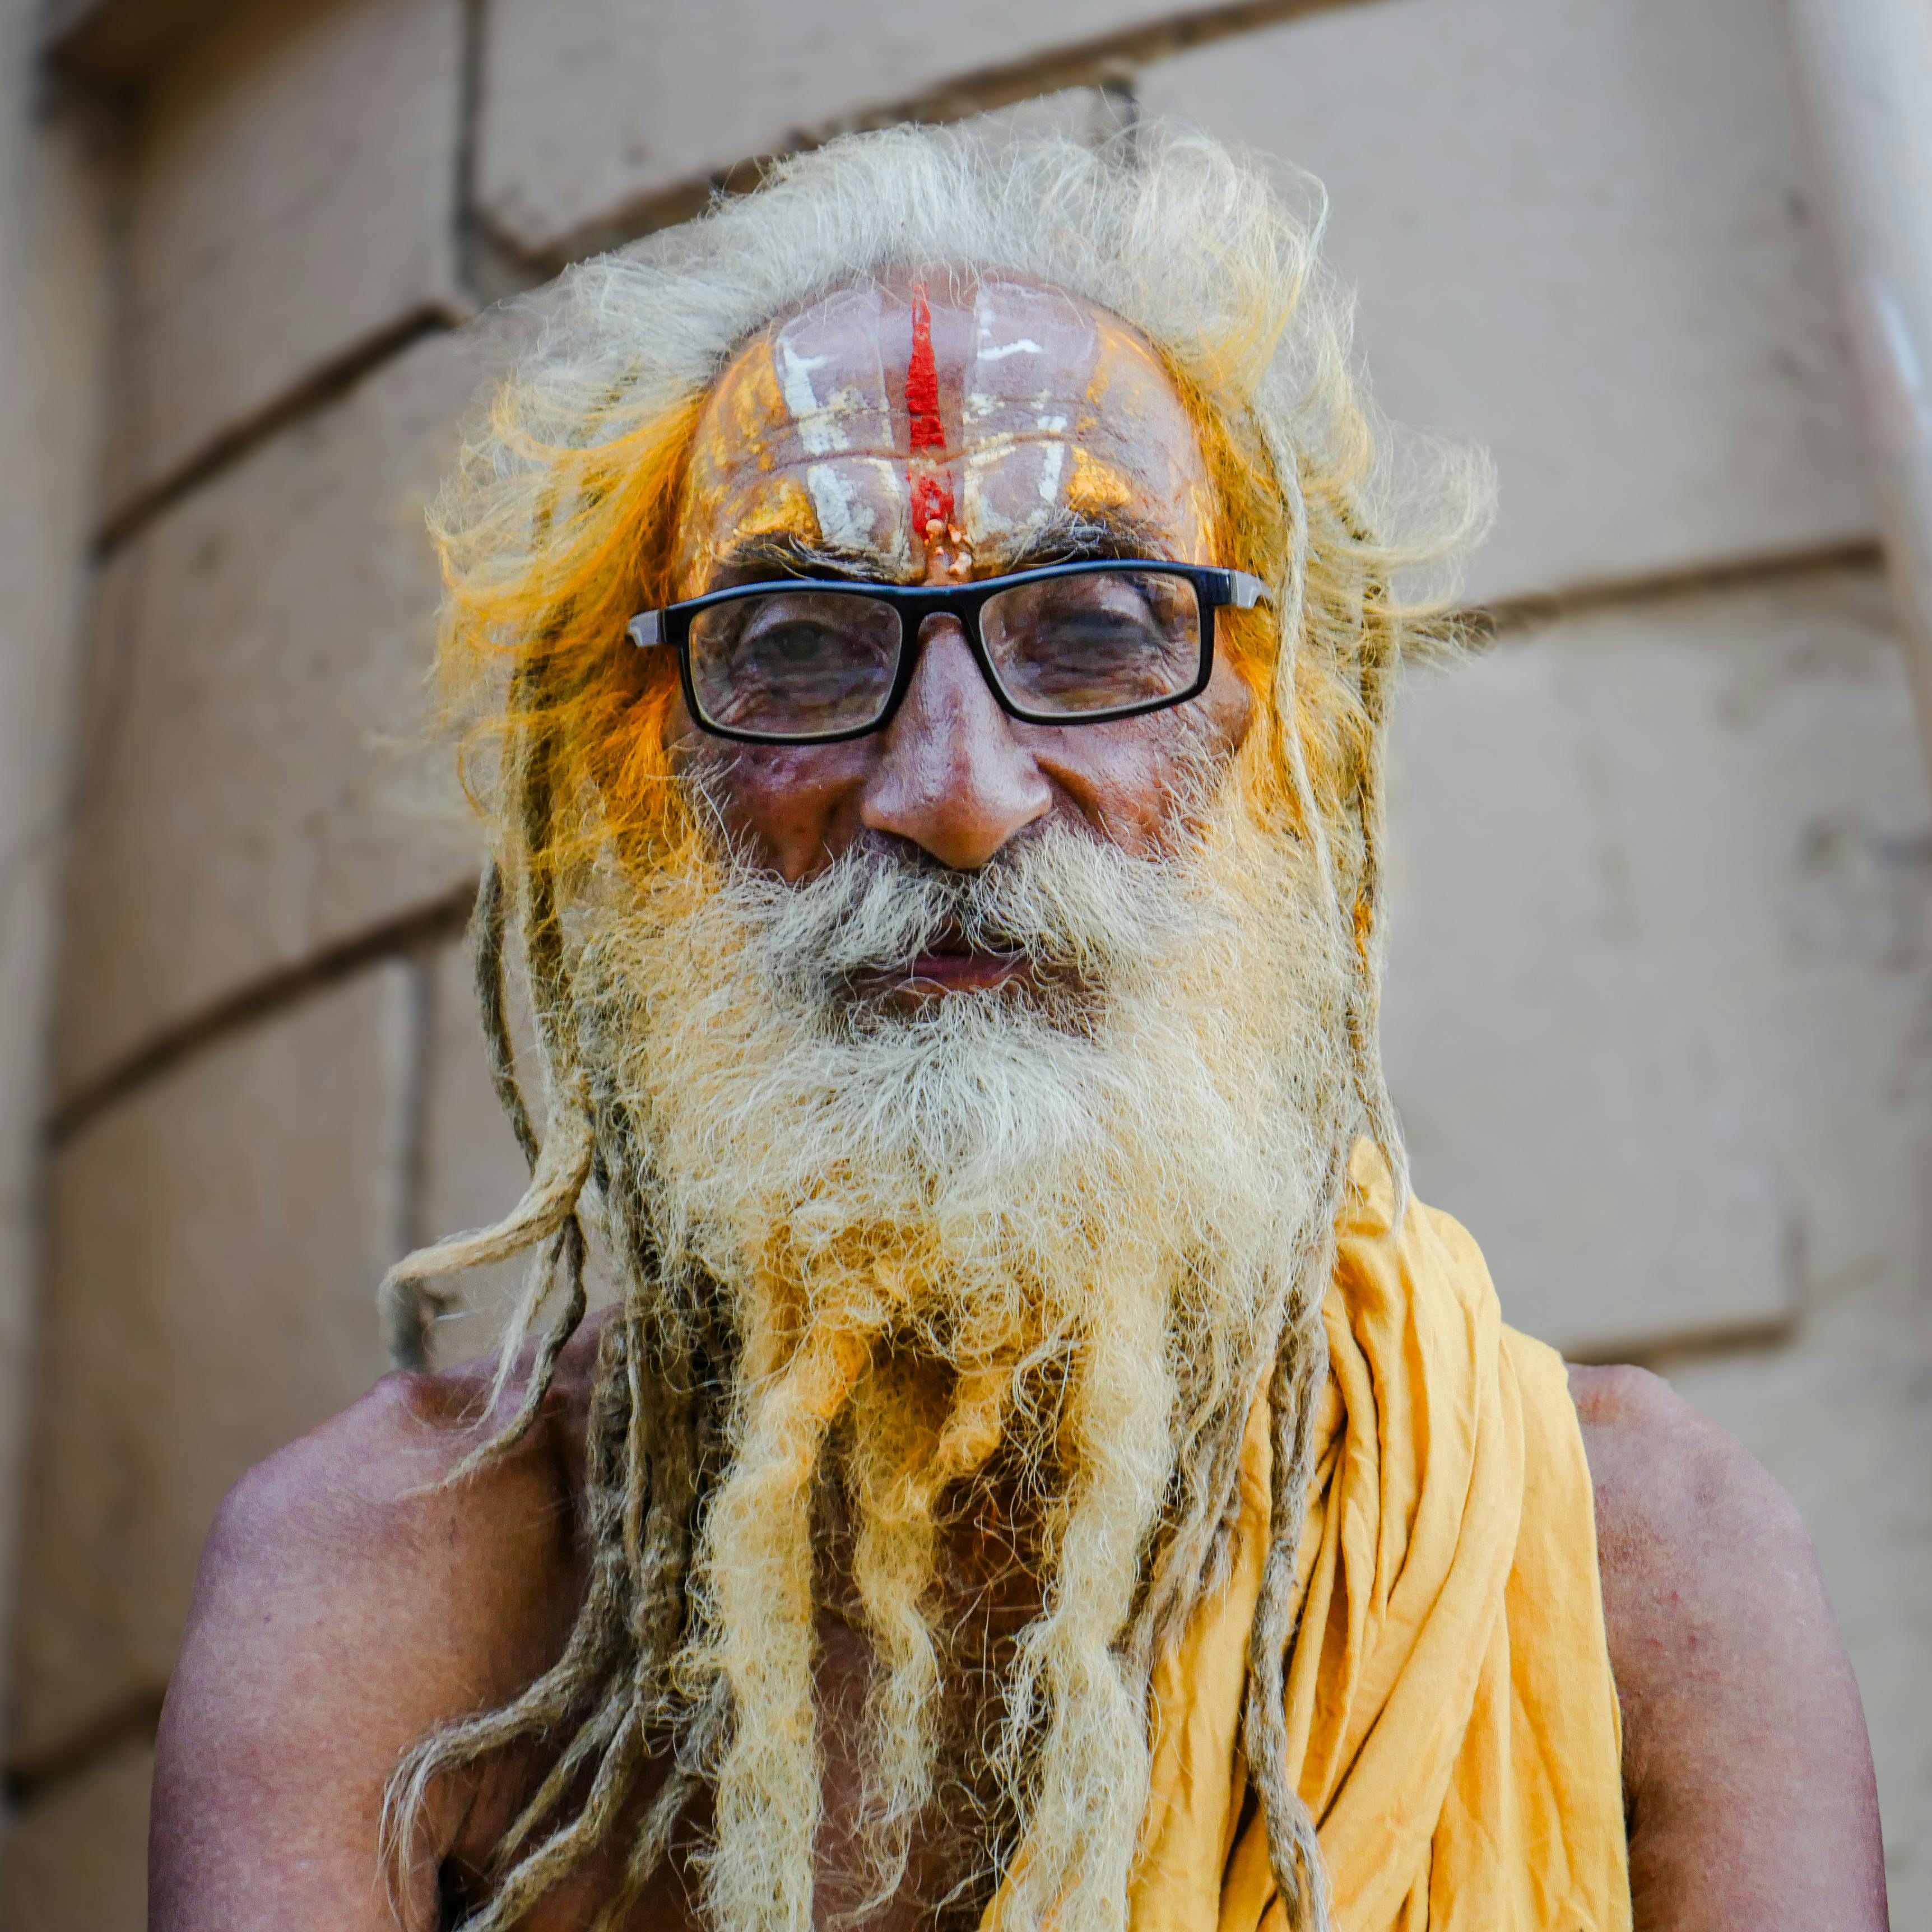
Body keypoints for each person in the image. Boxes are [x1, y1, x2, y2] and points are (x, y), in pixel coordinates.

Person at [147, 123, 1888, 1932]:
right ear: (641, 769)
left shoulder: (1639, 1565)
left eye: (1096, 628)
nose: (956, 790)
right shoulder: (398, 1591)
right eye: (799, 644)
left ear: (1282, 751)